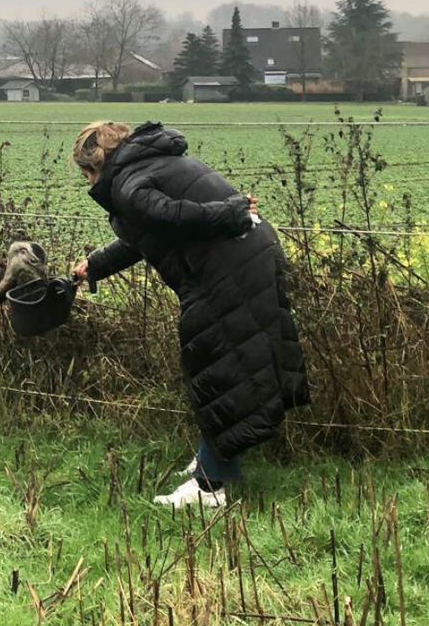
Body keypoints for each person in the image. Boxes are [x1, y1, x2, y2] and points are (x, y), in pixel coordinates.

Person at [72, 120, 309, 508]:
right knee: (225, 362)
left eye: (84, 175)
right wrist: (95, 265)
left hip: (227, 268)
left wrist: (231, 213)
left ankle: (209, 487)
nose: (87, 184)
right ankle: (213, 458)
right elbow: (151, 230)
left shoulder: (129, 184)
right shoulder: (148, 165)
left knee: (216, 364)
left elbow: (171, 213)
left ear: (93, 168)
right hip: (245, 256)